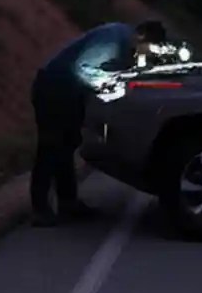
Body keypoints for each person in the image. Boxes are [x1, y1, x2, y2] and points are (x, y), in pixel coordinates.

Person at [29, 19, 167, 226]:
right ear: (141, 36)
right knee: (50, 147)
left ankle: (68, 202)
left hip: (69, 92)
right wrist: (112, 85)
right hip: (54, 89)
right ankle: (40, 209)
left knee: (66, 146)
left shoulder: (124, 43)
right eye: (149, 48)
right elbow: (84, 68)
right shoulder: (114, 40)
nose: (147, 54)